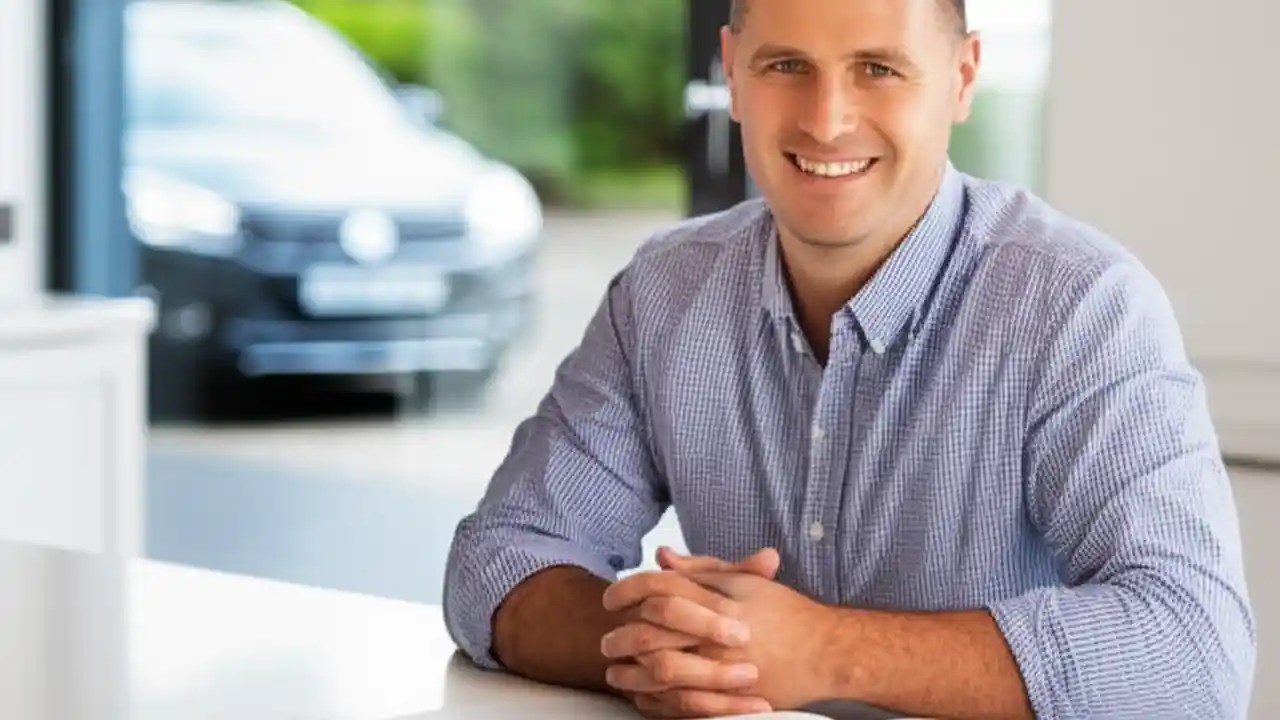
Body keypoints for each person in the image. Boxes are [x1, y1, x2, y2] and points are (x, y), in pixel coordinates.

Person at [443, 0, 1257, 717]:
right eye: (785, 65)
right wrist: (686, 646)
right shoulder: (663, 294)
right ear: (731, 72)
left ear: (962, 77)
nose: (827, 118)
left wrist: (826, 651)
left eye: (878, 68)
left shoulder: (1081, 306)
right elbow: (500, 559)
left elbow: (1191, 651)